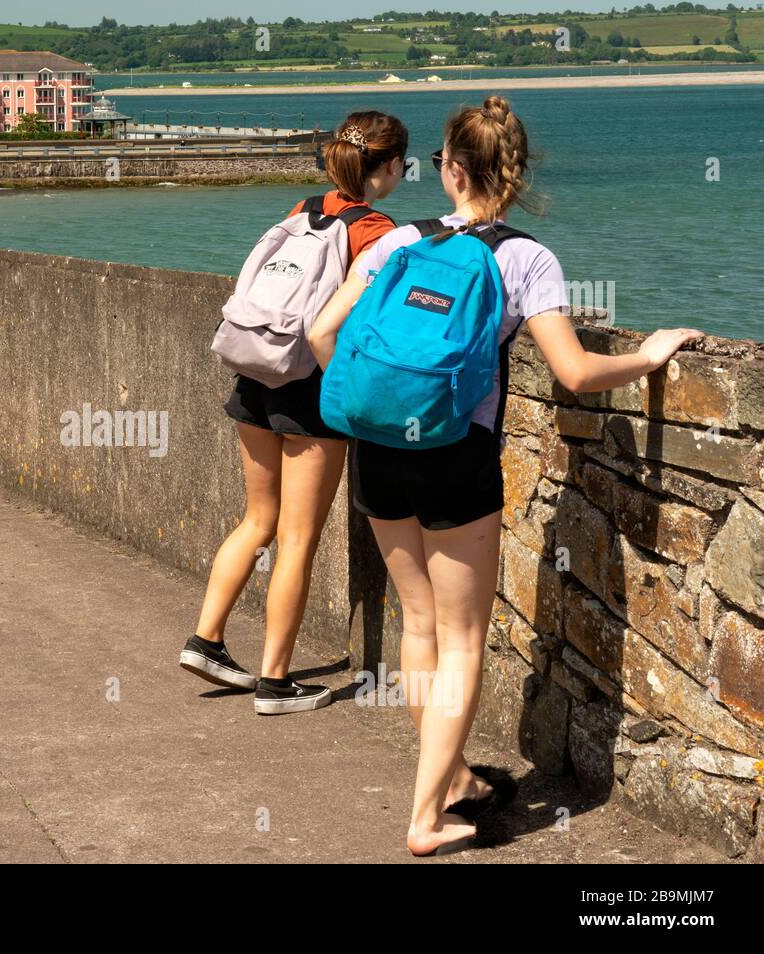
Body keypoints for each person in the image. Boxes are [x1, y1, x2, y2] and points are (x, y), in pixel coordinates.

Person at [307, 95, 702, 855]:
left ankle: (451, 781)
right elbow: (578, 372)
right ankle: (426, 818)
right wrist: (649, 357)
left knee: (418, 624)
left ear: (448, 168)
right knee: (460, 638)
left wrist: (367, 410)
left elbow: (322, 331)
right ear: (514, 176)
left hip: (381, 455)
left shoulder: (394, 243)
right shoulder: (524, 257)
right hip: (457, 458)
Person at [181, 112, 408, 715]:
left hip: (255, 372)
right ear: (388, 168)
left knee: (257, 520)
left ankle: (206, 640)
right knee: (298, 538)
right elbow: (385, 322)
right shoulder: (379, 231)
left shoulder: (303, 209)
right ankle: (276, 682)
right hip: (310, 389)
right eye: (404, 165)